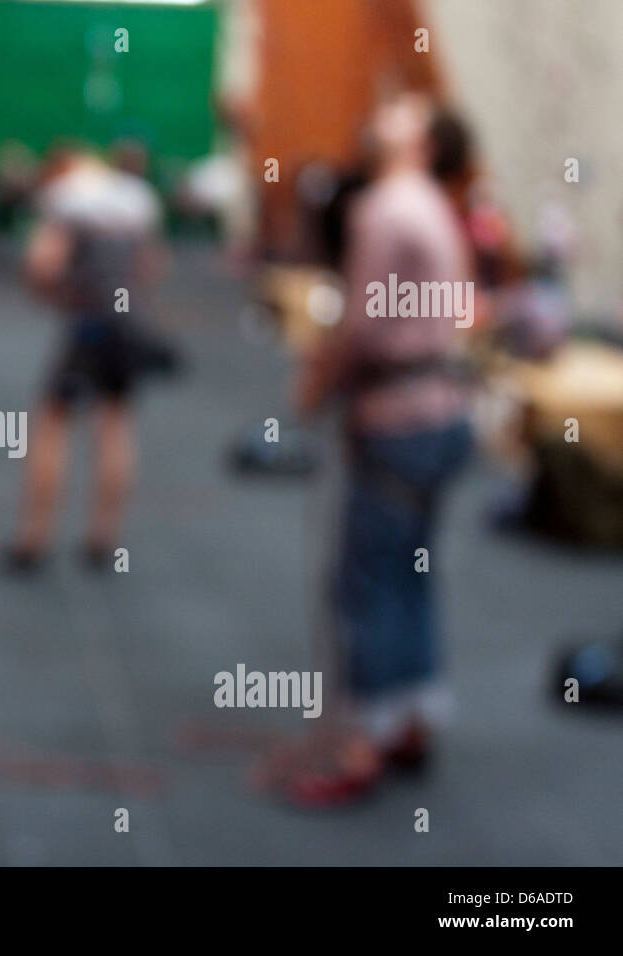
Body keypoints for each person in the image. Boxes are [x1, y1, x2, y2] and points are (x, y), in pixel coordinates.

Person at [284, 94, 476, 804]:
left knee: (366, 580)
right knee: (411, 572)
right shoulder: (429, 203)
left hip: (399, 418)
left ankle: (360, 744)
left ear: (422, 140)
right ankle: (412, 719)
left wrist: (312, 389)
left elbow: (362, 326)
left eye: (403, 109)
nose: (384, 111)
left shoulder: (387, 207)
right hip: (439, 413)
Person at [1, 145, 166, 572]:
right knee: (115, 421)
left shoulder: (69, 205)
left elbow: (43, 265)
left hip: (89, 325)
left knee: (52, 424)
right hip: (126, 325)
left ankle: (33, 539)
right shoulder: (133, 204)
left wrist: (60, 295)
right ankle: (103, 537)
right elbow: (150, 266)